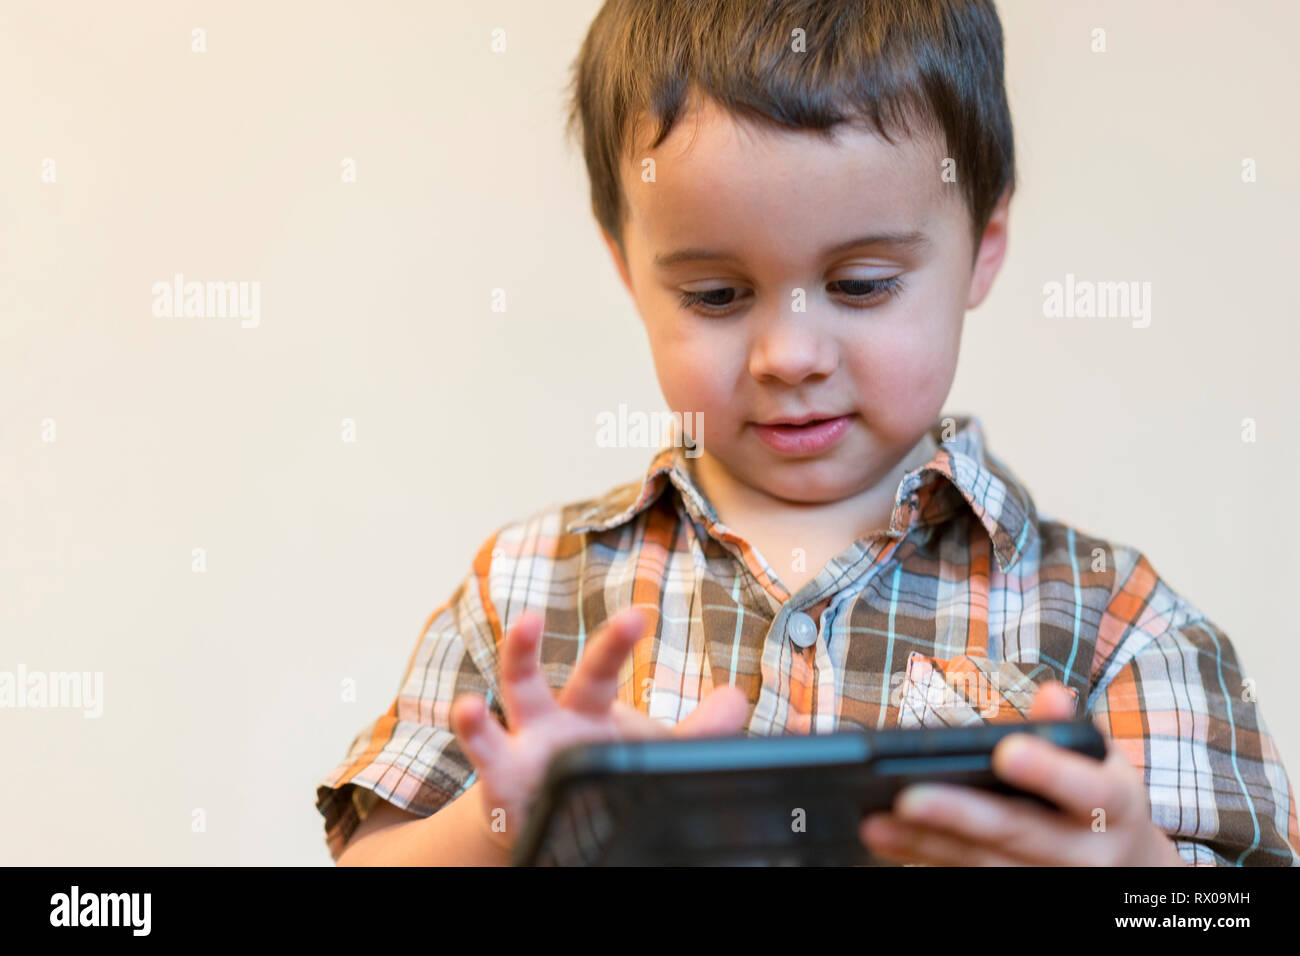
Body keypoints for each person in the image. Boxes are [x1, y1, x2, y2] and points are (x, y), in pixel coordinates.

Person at [315, 0, 1300, 866]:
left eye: (860, 285)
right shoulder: (527, 594)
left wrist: (1125, 861)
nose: (788, 353)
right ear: (626, 267)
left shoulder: (1116, 624)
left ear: (984, 245)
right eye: (716, 294)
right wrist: (501, 822)